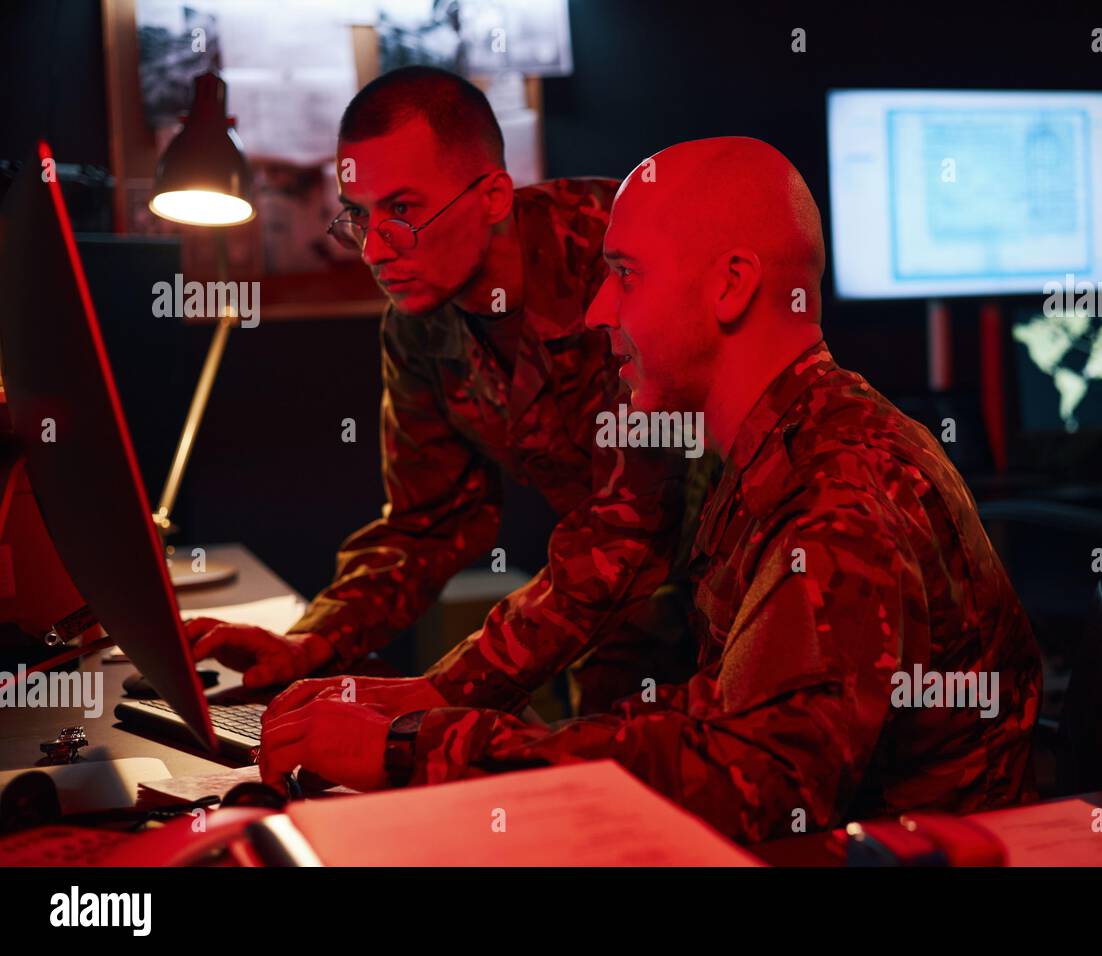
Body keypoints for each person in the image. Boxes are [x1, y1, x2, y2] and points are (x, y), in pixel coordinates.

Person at [258, 137, 1043, 844]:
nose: (599, 312)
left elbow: (751, 784)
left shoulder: (837, 497)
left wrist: (413, 751)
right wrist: (434, 729)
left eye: (625, 276)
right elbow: (709, 716)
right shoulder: (781, 450)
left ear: (730, 287)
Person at [184, 66, 696, 717]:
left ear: (492, 197)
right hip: (619, 613)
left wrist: (437, 694)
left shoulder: (617, 255)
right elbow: (432, 524)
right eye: (358, 218)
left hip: (749, 594)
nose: (373, 251)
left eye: (402, 211)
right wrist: (311, 643)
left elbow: (635, 526)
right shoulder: (417, 327)